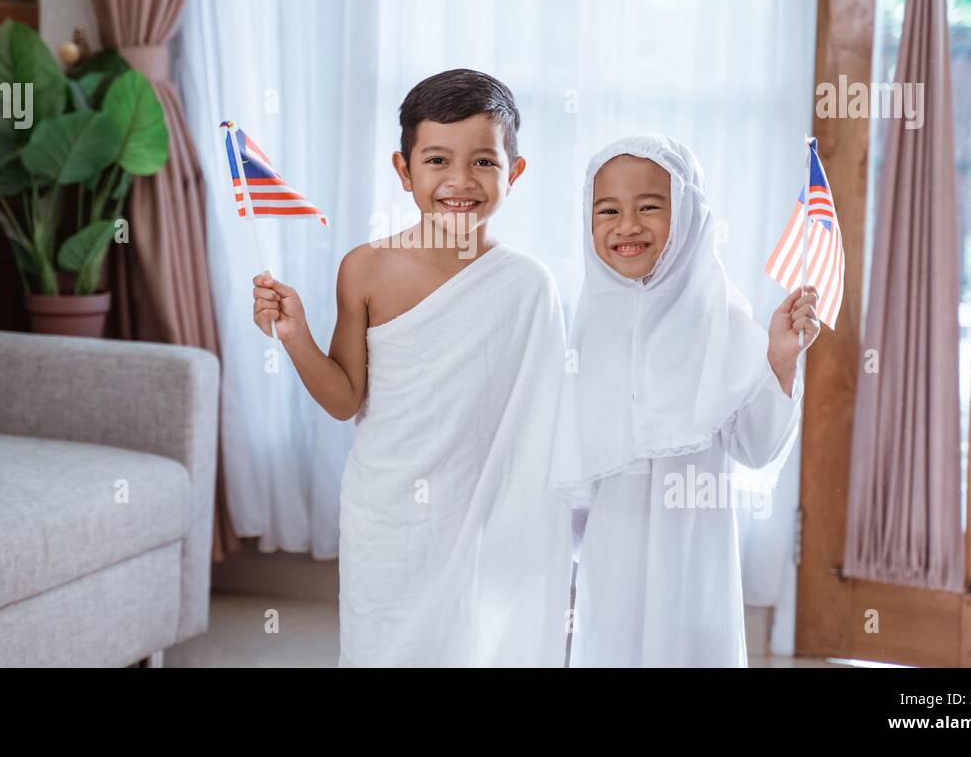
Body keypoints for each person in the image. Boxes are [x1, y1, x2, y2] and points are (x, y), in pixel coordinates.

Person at [252, 69, 573, 666]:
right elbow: (346, 398)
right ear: (403, 171)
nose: (459, 181)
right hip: (389, 514)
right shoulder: (366, 268)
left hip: (483, 516)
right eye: (436, 160)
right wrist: (294, 335)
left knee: (472, 646)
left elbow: (546, 417)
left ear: (515, 172)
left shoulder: (529, 285)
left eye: (483, 162)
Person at [550, 134, 819, 666]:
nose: (627, 225)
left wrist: (780, 359)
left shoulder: (720, 314)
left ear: (690, 213)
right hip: (614, 546)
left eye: (650, 206)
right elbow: (573, 458)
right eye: (608, 210)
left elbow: (758, 447)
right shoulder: (590, 321)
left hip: (695, 543)